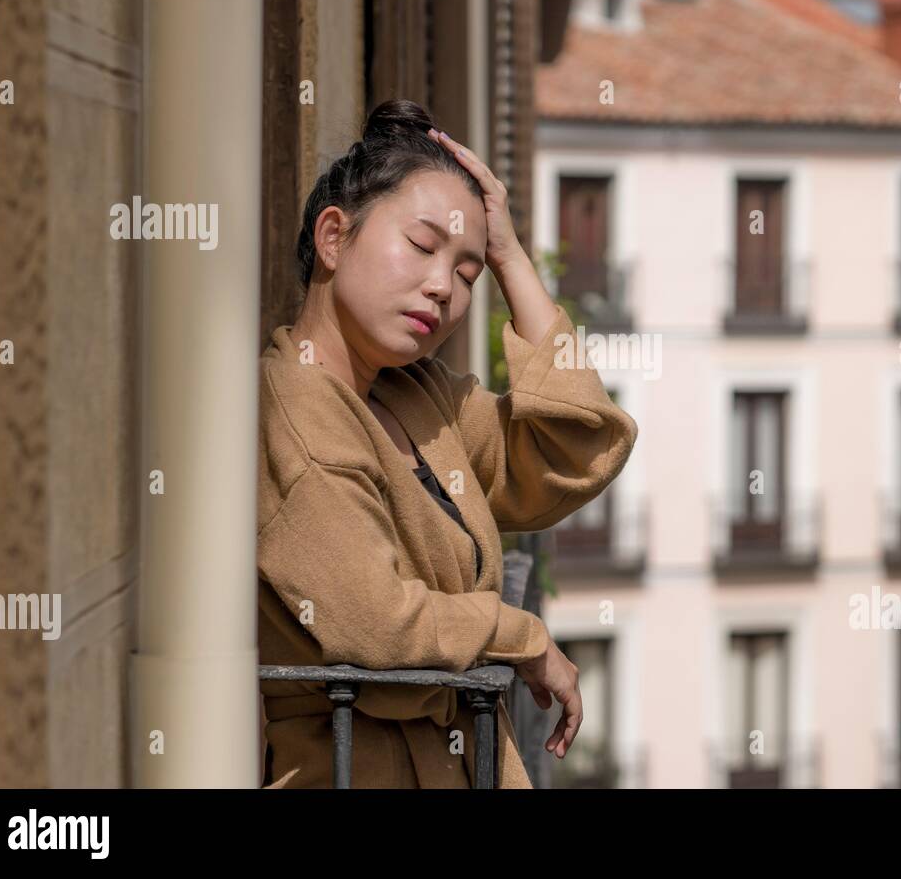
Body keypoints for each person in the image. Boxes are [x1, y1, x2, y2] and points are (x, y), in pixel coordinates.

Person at [256, 99, 638, 787]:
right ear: (335, 237)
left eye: (466, 274)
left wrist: (510, 256)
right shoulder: (296, 408)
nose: (443, 287)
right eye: (423, 245)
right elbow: (379, 623)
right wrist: (520, 635)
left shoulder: (414, 394)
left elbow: (572, 453)